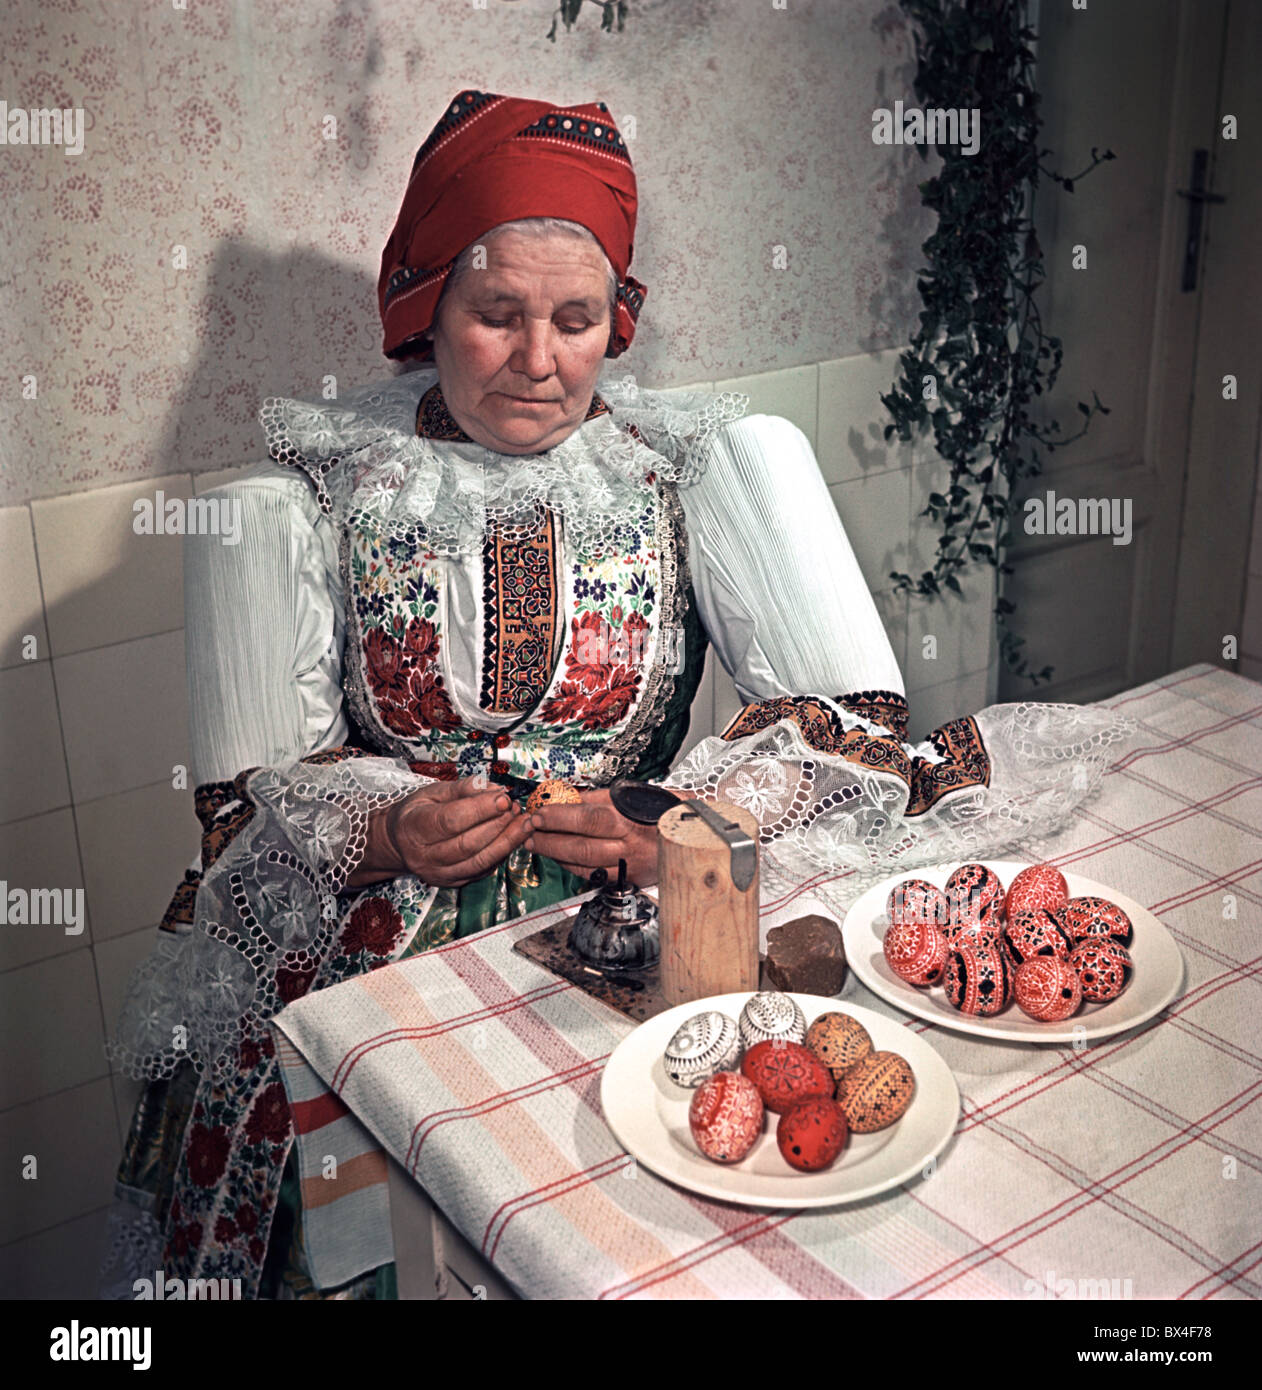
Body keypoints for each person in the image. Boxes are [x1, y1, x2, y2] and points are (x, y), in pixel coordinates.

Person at [104, 89, 1132, 1300]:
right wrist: (385, 827)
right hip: (378, 963)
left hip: (649, 927)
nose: (540, 362)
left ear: (615, 321)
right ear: (422, 307)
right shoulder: (315, 494)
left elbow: (849, 723)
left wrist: (682, 820)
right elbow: (245, 808)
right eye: (496, 315)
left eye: (575, 319)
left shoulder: (697, 465)